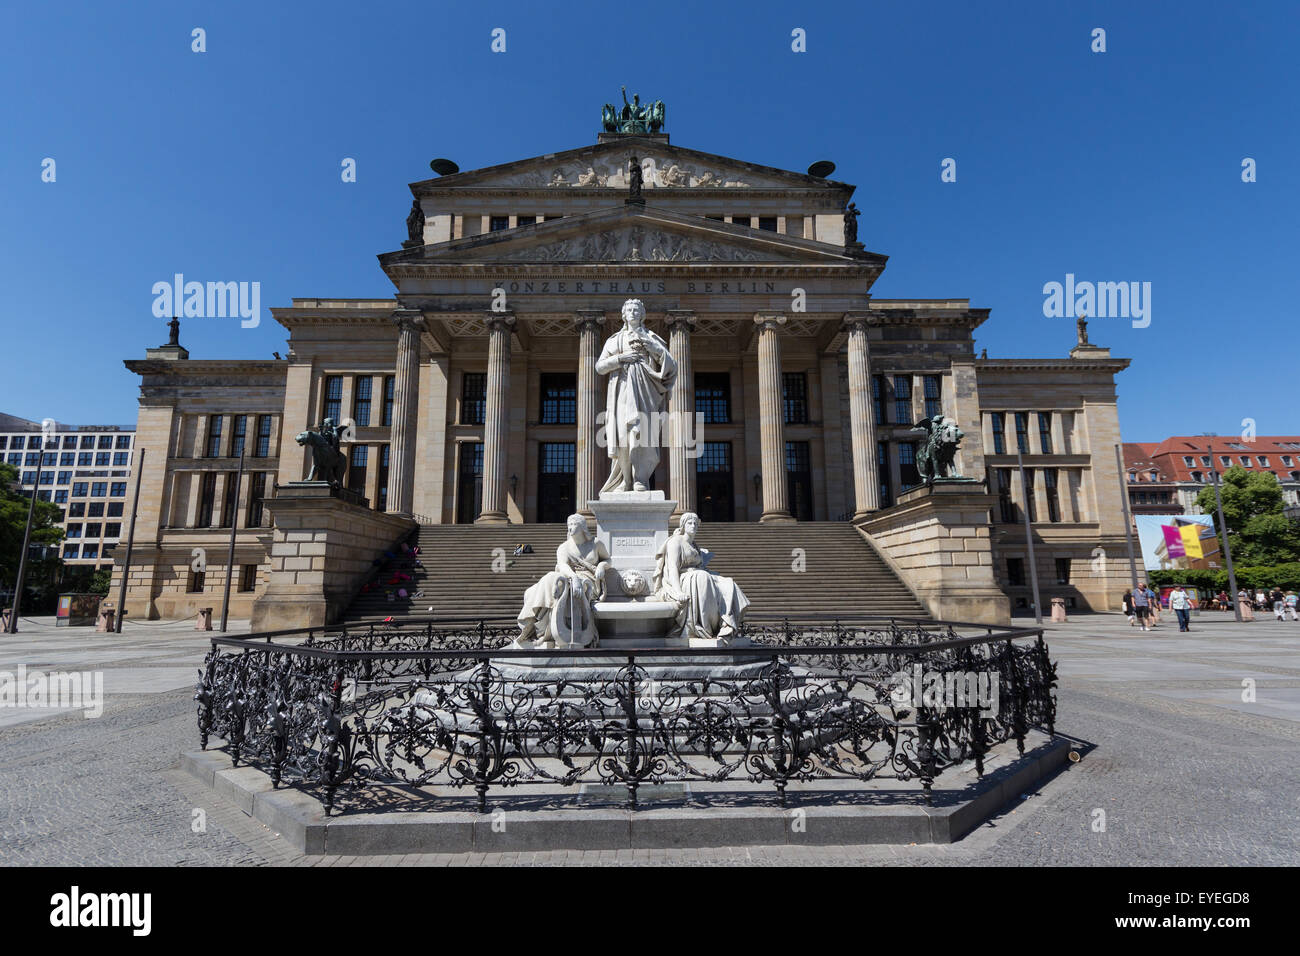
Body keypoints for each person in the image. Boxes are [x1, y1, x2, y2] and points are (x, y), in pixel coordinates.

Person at [514, 514, 611, 649]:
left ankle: (537, 628)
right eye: (568, 525)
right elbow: (563, 565)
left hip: (589, 581)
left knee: (553, 581)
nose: (570, 528)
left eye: (573, 525)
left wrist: (601, 566)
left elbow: (608, 559)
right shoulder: (564, 547)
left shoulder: (595, 543)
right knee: (536, 588)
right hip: (571, 577)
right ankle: (539, 630)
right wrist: (574, 577)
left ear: (582, 526)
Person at [654, 511, 750, 643]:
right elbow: (673, 569)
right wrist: (678, 592)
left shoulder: (694, 545)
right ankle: (705, 628)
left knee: (727, 583)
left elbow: (700, 566)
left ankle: (726, 624)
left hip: (698, 575)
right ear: (683, 525)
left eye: (695, 523)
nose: (693, 525)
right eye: (689, 523)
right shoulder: (675, 542)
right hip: (683, 579)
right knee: (702, 577)